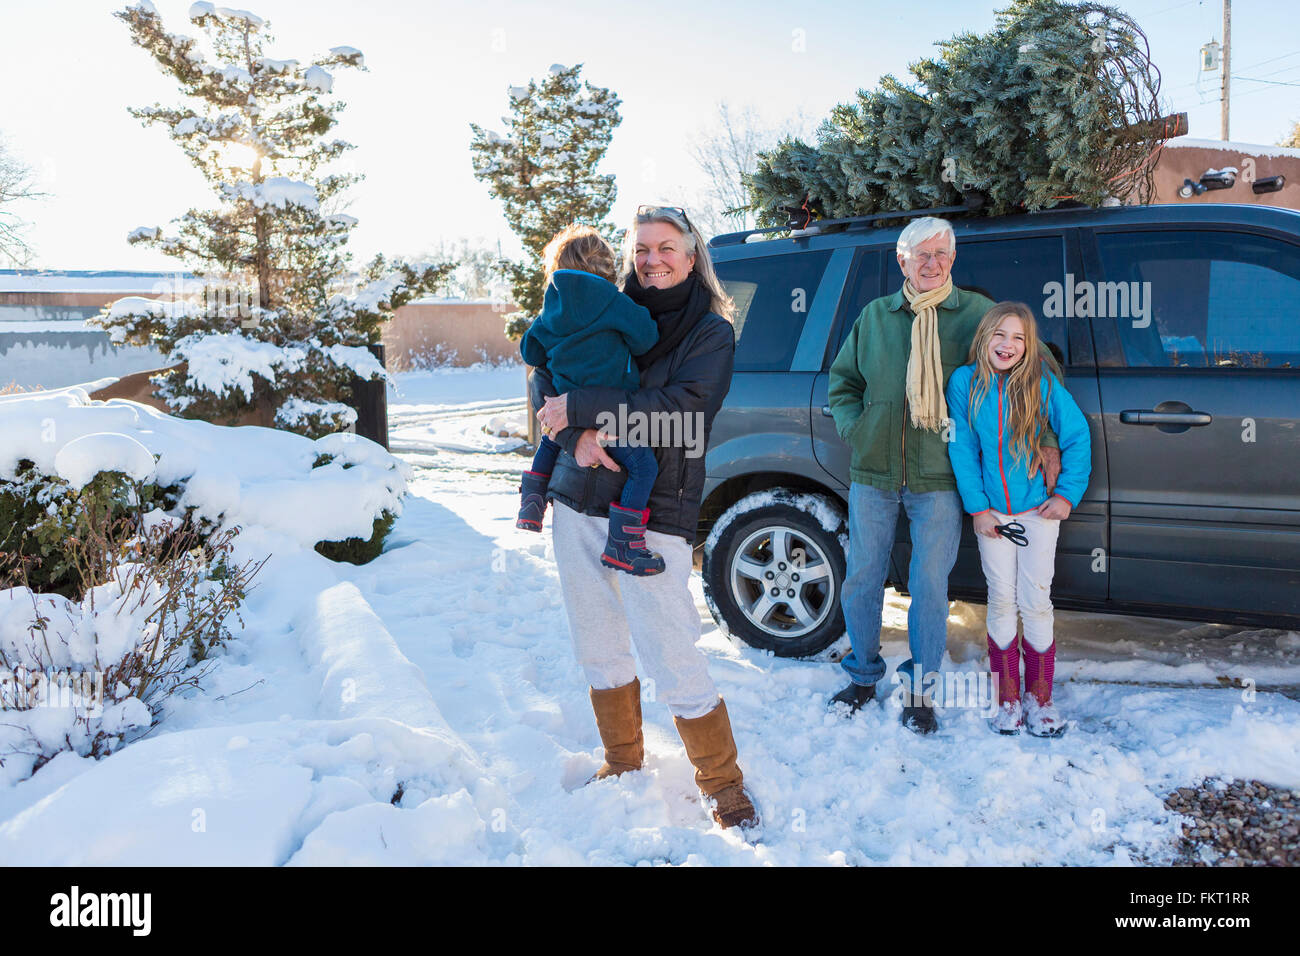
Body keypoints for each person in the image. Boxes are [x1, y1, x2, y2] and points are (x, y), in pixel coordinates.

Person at [530, 205, 759, 830]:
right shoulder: (595, 302)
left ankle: (723, 783)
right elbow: (542, 373)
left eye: (665, 248)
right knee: (598, 642)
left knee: (670, 649)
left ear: (691, 257)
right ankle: (621, 758)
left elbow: (678, 417)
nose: (651, 260)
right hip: (578, 500)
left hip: (655, 512)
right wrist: (574, 432)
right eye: (642, 249)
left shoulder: (710, 332)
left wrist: (580, 406)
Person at [826, 216, 1063, 734]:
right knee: (862, 578)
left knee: (928, 586)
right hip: (873, 471)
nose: (932, 264)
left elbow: (1037, 369)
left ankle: (920, 691)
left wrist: (1044, 435)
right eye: (921, 255)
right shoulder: (876, 316)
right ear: (902, 260)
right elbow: (842, 383)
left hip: (940, 479)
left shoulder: (978, 315)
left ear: (953, 260)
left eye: (942, 255)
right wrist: (858, 427)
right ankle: (862, 676)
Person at [945, 301, 1091, 737]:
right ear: (984, 337)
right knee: (1001, 601)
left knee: (1035, 601)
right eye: (999, 335)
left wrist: (1066, 496)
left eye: (1018, 338)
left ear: (1029, 347)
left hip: (1037, 513)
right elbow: (963, 448)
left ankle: (1040, 700)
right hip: (994, 518)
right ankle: (1008, 698)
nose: (1007, 345)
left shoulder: (1041, 384)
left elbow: (1077, 435)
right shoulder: (964, 383)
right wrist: (978, 508)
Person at [516, 224, 666, 576]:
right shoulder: (614, 301)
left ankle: (531, 504)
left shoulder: (551, 308)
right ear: (605, 266)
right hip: (609, 416)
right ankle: (624, 545)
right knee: (643, 467)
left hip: (564, 413)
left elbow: (530, 352)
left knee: (551, 439)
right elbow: (646, 339)